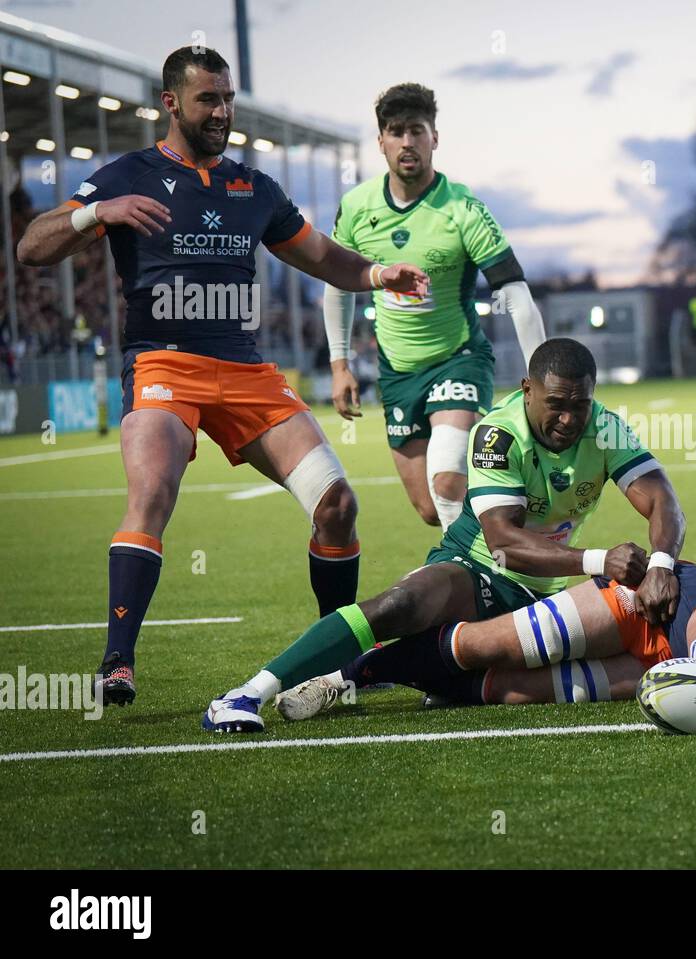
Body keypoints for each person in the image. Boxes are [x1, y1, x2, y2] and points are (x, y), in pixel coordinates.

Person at [15, 46, 429, 706]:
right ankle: (117, 661)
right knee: (151, 494)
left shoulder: (252, 187)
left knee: (339, 505)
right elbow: (31, 246)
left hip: (246, 372)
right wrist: (99, 213)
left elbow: (322, 256)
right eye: (209, 99)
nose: (223, 110)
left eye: (227, 98)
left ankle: (332, 660)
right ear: (171, 103)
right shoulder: (128, 175)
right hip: (162, 365)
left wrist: (378, 274)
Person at [203, 338, 686, 732]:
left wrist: (661, 564)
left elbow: (662, 498)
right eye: (556, 404)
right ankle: (247, 694)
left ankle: (348, 675)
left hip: (543, 592)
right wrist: (602, 561)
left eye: (579, 405)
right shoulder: (499, 434)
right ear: (527, 390)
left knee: (480, 682)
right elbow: (503, 541)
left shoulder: (606, 428)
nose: (567, 419)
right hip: (476, 568)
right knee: (397, 607)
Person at [274, 534, 696, 722]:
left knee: (514, 690)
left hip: (656, 664)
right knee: (483, 644)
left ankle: (429, 685)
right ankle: (348, 673)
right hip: (641, 607)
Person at [324, 83, 546, 529]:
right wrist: (339, 364)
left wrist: (542, 378)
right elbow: (338, 286)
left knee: (447, 479)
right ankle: (517, 533)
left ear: (435, 138)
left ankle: (474, 584)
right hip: (398, 372)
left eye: (417, 131)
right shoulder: (356, 208)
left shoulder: (463, 208)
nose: (408, 142)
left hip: (457, 360)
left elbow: (514, 292)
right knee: (430, 506)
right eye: (397, 132)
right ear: (382, 141)